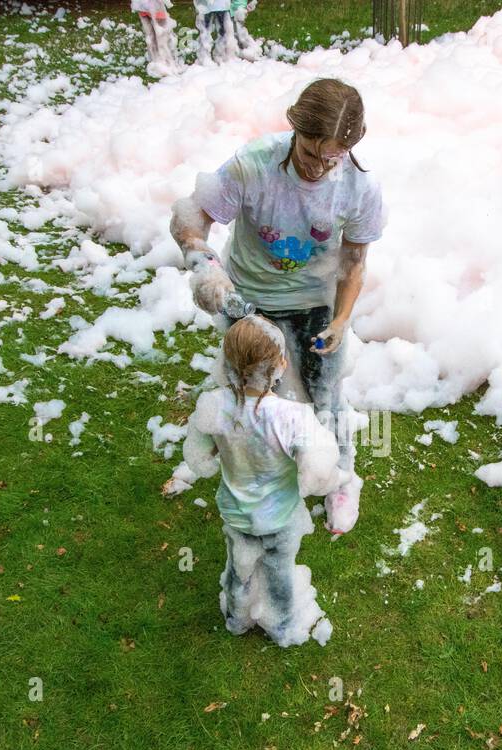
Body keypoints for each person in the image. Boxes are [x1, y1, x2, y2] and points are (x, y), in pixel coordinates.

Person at [170, 78, 383, 534]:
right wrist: (204, 265)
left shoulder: (359, 189)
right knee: (249, 395)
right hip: (246, 299)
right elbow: (191, 220)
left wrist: (342, 320)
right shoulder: (254, 164)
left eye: (332, 158)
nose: (318, 168)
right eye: (310, 153)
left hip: (315, 304)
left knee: (324, 396)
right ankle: (257, 481)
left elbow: (355, 262)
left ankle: (341, 479)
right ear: (294, 129)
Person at [182, 315, 343, 647]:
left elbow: (200, 457)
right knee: (279, 572)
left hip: (236, 513)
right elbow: (319, 468)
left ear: (226, 364)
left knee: (237, 569)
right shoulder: (290, 417)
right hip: (280, 519)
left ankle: (236, 618)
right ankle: (283, 624)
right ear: (281, 365)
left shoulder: (215, 406)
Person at [130, 0, 179, 77]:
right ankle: (165, 64)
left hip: (140, 4)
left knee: (150, 35)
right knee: (161, 35)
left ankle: (156, 61)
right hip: (153, 5)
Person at [193, 0, 235, 65]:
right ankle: (220, 57)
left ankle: (207, 58)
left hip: (210, 5)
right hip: (217, 5)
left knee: (206, 32)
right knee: (222, 32)